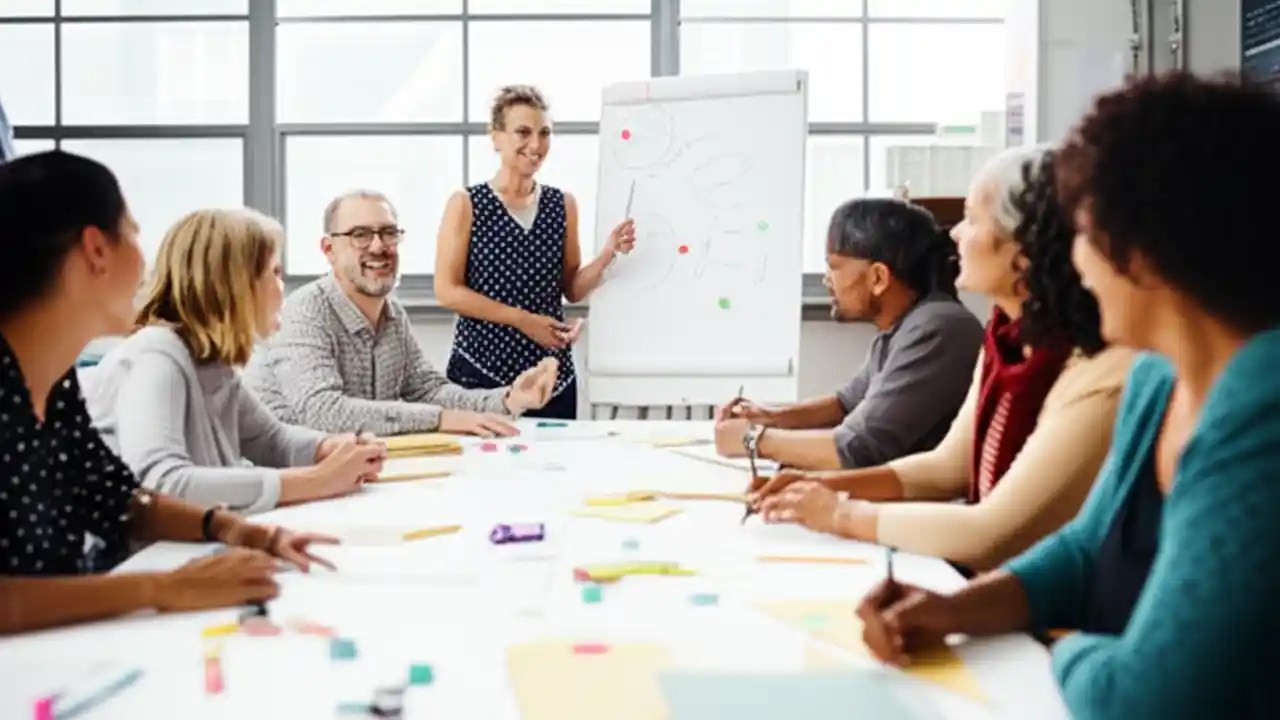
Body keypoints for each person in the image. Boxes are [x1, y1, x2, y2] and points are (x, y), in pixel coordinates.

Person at [855, 73, 1280, 719]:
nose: (1071, 262)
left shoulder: (1262, 407)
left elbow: (1141, 699)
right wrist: (954, 610)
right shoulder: (1154, 377)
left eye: (1080, 233)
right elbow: (1085, 552)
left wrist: (1064, 644)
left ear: (1139, 250)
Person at [752, 144, 1134, 571]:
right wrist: (819, 486)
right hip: (992, 579)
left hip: (1031, 598)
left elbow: (991, 533)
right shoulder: (1005, 337)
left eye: (971, 220)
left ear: (1021, 252)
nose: (954, 234)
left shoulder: (1094, 366)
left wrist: (839, 511)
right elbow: (947, 467)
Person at [0, 151, 335, 635]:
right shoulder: (153, 354)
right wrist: (160, 588)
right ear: (95, 249)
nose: (146, 261)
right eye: (133, 233)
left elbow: (118, 499)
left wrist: (233, 528)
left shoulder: (56, 383)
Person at [82, 208, 387, 514]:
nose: (282, 288)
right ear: (237, 284)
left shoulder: (211, 363)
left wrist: (331, 447)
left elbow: (271, 439)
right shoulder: (156, 356)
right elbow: (160, 484)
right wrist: (318, 479)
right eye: (275, 273)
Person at [245, 190, 558, 437]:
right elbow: (322, 411)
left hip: (351, 472)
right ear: (329, 250)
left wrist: (508, 399)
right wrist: (441, 420)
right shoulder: (306, 311)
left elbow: (428, 389)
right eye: (360, 235)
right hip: (285, 481)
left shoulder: (393, 314)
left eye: (389, 233)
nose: (379, 246)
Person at [712, 199, 982, 470]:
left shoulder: (935, 329)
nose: (826, 279)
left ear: (878, 277)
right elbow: (844, 405)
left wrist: (754, 440)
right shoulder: (902, 327)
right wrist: (768, 417)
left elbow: (855, 448)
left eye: (834, 266)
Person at [434, 85, 637, 420]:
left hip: (551, 378)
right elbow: (447, 291)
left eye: (545, 133)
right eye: (523, 132)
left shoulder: (563, 204)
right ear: (495, 136)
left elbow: (571, 288)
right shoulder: (466, 204)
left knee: (552, 468)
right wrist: (524, 320)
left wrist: (607, 254)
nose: (537, 144)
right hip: (481, 374)